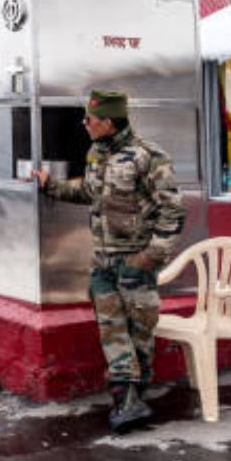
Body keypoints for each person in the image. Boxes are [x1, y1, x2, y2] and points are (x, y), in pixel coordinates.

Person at [31, 90, 185, 432]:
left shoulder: (148, 156)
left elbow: (173, 211)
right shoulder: (96, 153)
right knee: (112, 331)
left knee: (139, 332)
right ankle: (125, 399)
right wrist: (50, 185)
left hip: (136, 261)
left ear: (108, 122)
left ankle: (134, 398)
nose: (84, 124)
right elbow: (89, 192)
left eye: (90, 119)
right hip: (103, 261)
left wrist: (151, 256)